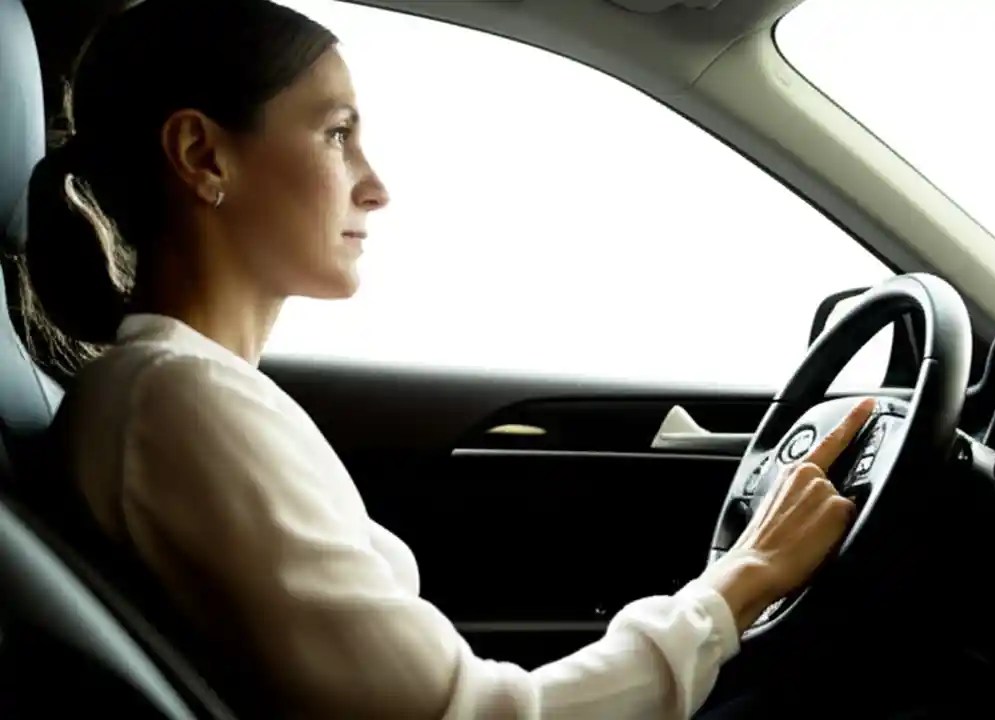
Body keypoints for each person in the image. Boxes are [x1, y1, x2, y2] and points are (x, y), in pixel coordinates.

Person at [15, 1, 873, 717]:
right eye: (336, 133)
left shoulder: (171, 391)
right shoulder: (181, 402)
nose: (375, 185)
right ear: (203, 156)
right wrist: (738, 586)